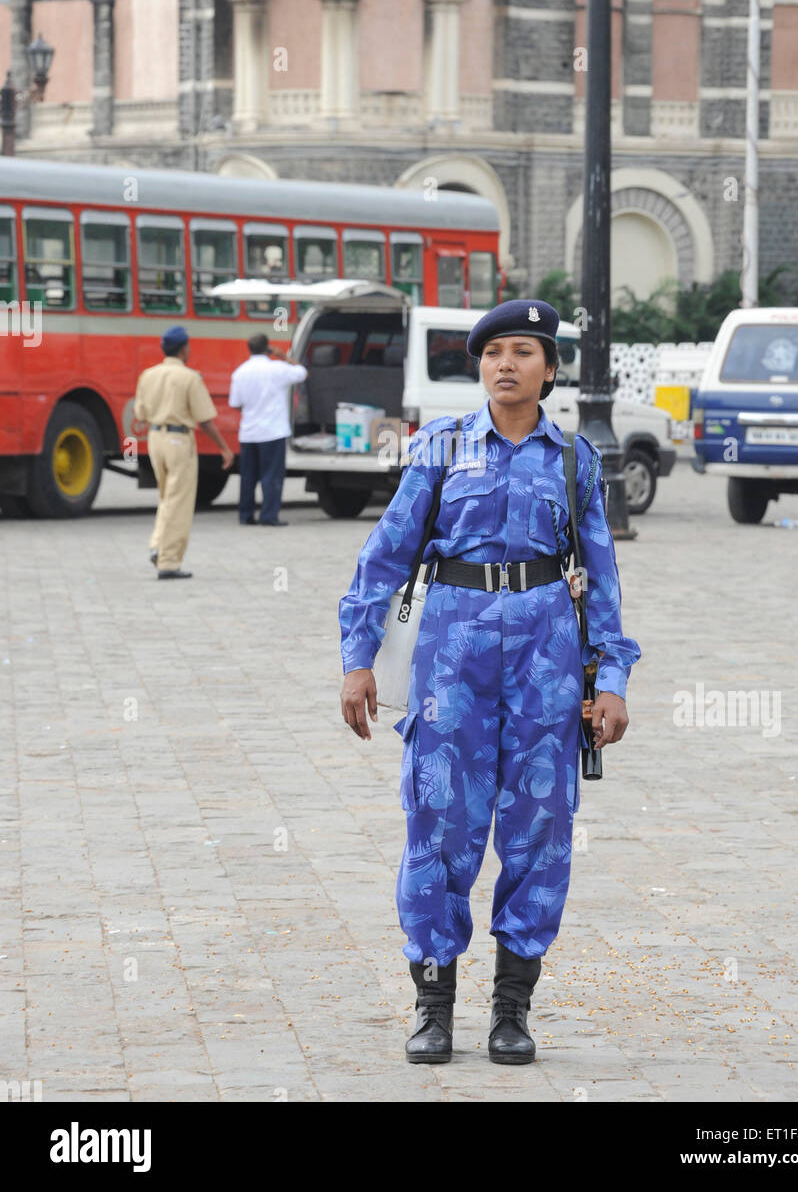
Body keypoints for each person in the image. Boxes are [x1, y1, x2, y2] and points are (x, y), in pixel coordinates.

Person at [338, 298, 641, 1066]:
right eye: (493, 352)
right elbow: (383, 559)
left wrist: (610, 678)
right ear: (479, 365)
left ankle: (512, 1008)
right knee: (437, 826)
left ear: (547, 368)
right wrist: (356, 657)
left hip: (546, 672)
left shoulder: (573, 460)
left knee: (539, 833)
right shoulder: (439, 449)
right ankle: (432, 1007)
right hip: (450, 671)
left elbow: (600, 578)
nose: (505, 364)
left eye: (523, 352)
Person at [133, 325, 234, 579]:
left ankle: (158, 544)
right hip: (179, 441)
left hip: (155, 439)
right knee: (180, 502)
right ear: (183, 348)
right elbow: (206, 419)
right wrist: (224, 448)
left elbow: (140, 414)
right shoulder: (189, 377)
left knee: (167, 497)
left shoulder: (148, 375)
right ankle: (168, 561)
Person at [228, 334, 308, 526]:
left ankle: (245, 515)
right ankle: (268, 515)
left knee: (248, 476)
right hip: (273, 432)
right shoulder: (277, 369)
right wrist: (283, 357)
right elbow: (302, 372)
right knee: (271, 475)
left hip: (248, 433)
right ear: (268, 348)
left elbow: (235, 404)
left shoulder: (239, 372)